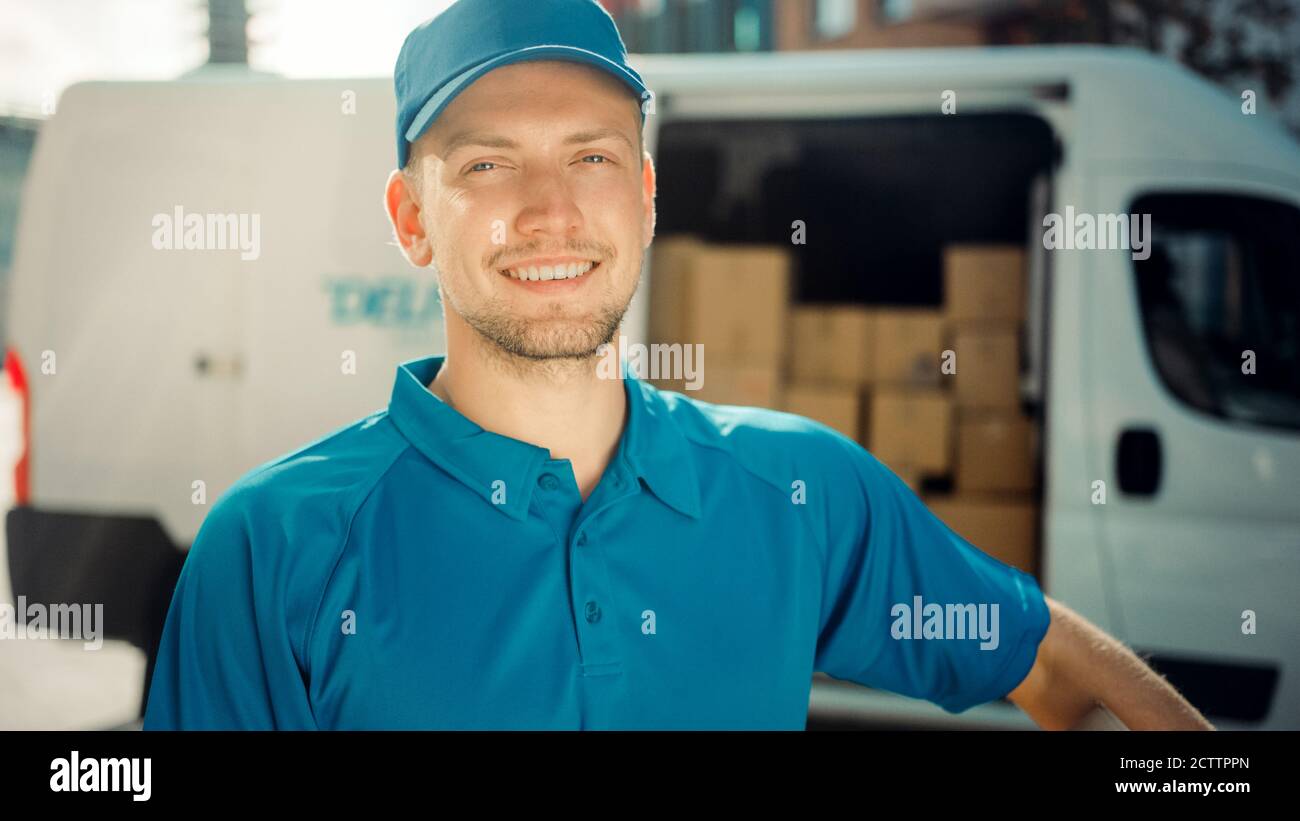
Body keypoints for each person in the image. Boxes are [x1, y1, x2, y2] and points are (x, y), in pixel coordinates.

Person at [143, 0, 1212, 730]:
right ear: (411, 218)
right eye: (485, 164)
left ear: (646, 198)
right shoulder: (273, 548)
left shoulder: (797, 490)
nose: (549, 209)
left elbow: (1052, 667)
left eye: (592, 156)